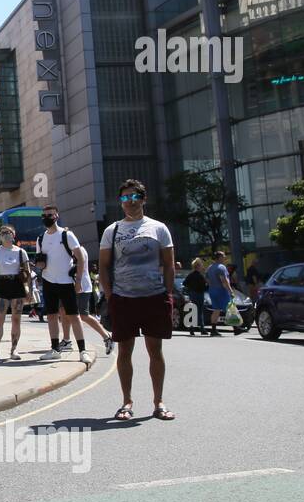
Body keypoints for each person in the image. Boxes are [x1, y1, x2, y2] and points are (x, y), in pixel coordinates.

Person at [99, 179, 177, 421]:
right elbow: (103, 266)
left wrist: (168, 293)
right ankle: (127, 402)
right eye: (124, 198)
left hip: (154, 297)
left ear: (143, 199)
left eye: (134, 197)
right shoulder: (112, 231)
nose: (129, 202)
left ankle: (159, 402)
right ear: (120, 202)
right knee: (125, 351)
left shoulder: (158, 228)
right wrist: (111, 296)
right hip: (123, 299)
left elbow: (168, 265)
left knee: (155, 350)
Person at [34, 206, 94, 367]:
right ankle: (55, 349)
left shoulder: (67, 235)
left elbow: (80, 258)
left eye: (50, 215)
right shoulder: (40, 238)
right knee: (52, 316)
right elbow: (41, 261)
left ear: (56, 215)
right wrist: (39, 264)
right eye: (44, 215)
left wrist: (79, 281)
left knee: (74, 316)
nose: (47, 217)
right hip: (48, 281)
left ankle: (83, 351)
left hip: (66, 282)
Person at [0, 225, 31, 362]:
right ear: (0, 236)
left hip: (17, 286)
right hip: (2, 286)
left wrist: (29, 290)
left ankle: (14, 349)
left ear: (14, 235)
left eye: (9, 232)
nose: (6, 234)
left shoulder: (21, 252)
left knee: (16, 319)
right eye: (3, 232)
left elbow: (27, 273)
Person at [74, 250, 113, 355]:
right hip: (70, 287)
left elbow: (78, 267)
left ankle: (107, 336)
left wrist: (77, 282)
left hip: (82, 287)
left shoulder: (79, 250)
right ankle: (66, 340)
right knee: (65, 313)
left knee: (83, 315)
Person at [206, 249, 233, 336]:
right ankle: (236, 328)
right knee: (229, 308)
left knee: (216, 310)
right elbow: (224, 281)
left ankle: (213, 330)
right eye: (223, 256)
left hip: (212, 290)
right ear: (220, 257)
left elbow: (207, 280)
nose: (225, 257)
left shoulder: (210, 268)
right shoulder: (221, 267)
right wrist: (230, 291)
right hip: (221, 290)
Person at [183, 258, 209, 336]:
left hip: (192, 294)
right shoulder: (201, 276)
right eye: (201, 265)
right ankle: (202, 328)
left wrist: (190, 288)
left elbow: (184, 283)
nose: (202, 266)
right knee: (200, 312)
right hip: (199, 294)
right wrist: (207, 286)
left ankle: (192, 328)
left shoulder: (191, 275)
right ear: (198, 266)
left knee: (193, 311)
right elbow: (204, 287)